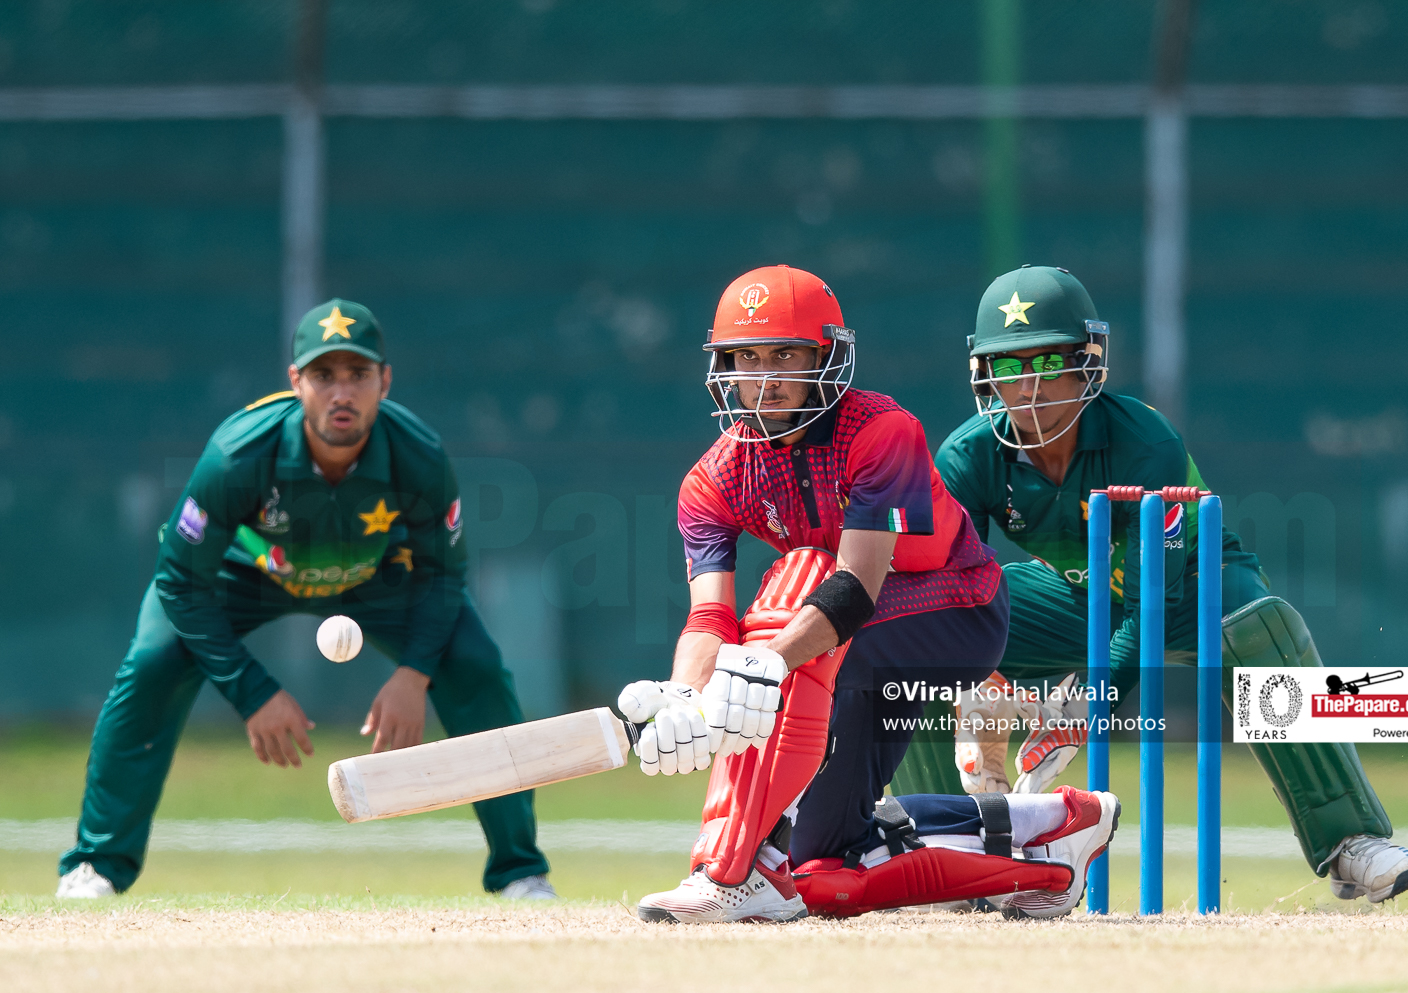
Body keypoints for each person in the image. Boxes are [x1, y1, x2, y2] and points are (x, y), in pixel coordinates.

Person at [892, 265, 1408, 905]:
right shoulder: (970, 455)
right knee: (910, 631)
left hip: (1193, 583)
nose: (1030, 389)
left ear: (1088, 363)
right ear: (985, 376)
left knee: (1260, 629)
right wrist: (983, 677)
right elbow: (956, 586)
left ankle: (1350, 843)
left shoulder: (1145, 441)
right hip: (1075, 589)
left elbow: (1151, 601)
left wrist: (1093, 697)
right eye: (1010, 368)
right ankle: (946, 850)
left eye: (1050, 363)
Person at [614, 265, 1119, 924]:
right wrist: (685, 692)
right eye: (746, 357)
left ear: (826, 357)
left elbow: (854, 588)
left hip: (955, 610)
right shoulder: (712, 479)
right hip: (848, 642)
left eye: (785, 355)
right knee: (824, 871)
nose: (762, 377)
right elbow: (709, 617)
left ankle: (726, 867)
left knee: (798, 577)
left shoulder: (880, 432)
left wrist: (765, 664)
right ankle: (1055, 840)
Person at [56, 299, 554, 900]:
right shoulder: (239, 453)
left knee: (471, 663)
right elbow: (181, 581)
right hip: (246, 571)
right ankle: (97, 867)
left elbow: (443, 575)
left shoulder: (417, 453)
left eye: (358, 375)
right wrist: (253, 691)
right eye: (323, 376)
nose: (341, 393)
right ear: (296, 382)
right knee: (155, 661)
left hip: (377, 575)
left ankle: (521, 871)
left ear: (385, 381)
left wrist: (414, 674)